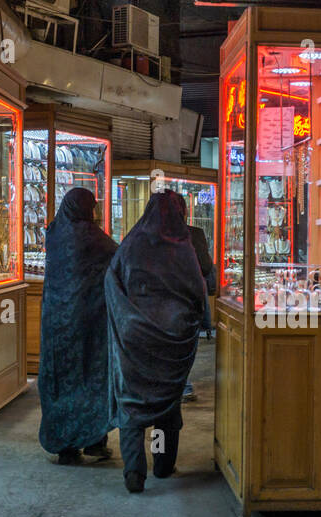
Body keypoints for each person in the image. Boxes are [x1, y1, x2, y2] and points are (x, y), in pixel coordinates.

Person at [106, 190, 207, 493]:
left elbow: (112, 280)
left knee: (133, 403)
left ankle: (134, 472)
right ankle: (162, 465)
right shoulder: (183, 248)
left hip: (134, 335)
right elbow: (198, 292)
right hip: (172, 338)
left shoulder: (132, 244)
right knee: (166, 403)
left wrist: (124, 318)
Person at [37, 187, 119, 464]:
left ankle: (65, 446)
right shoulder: (94, 238)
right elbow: (118, 259)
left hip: (56, 324)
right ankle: (95, 440)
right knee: (92, 378)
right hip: (90, 323)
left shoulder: (53, 233)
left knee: (60, 380)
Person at [182, 222, 217, 401]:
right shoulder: (194, 233)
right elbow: (205, 266)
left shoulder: (146, 231)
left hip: (156, 302)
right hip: (189, 297)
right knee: (187, 344)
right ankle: (183, 386)